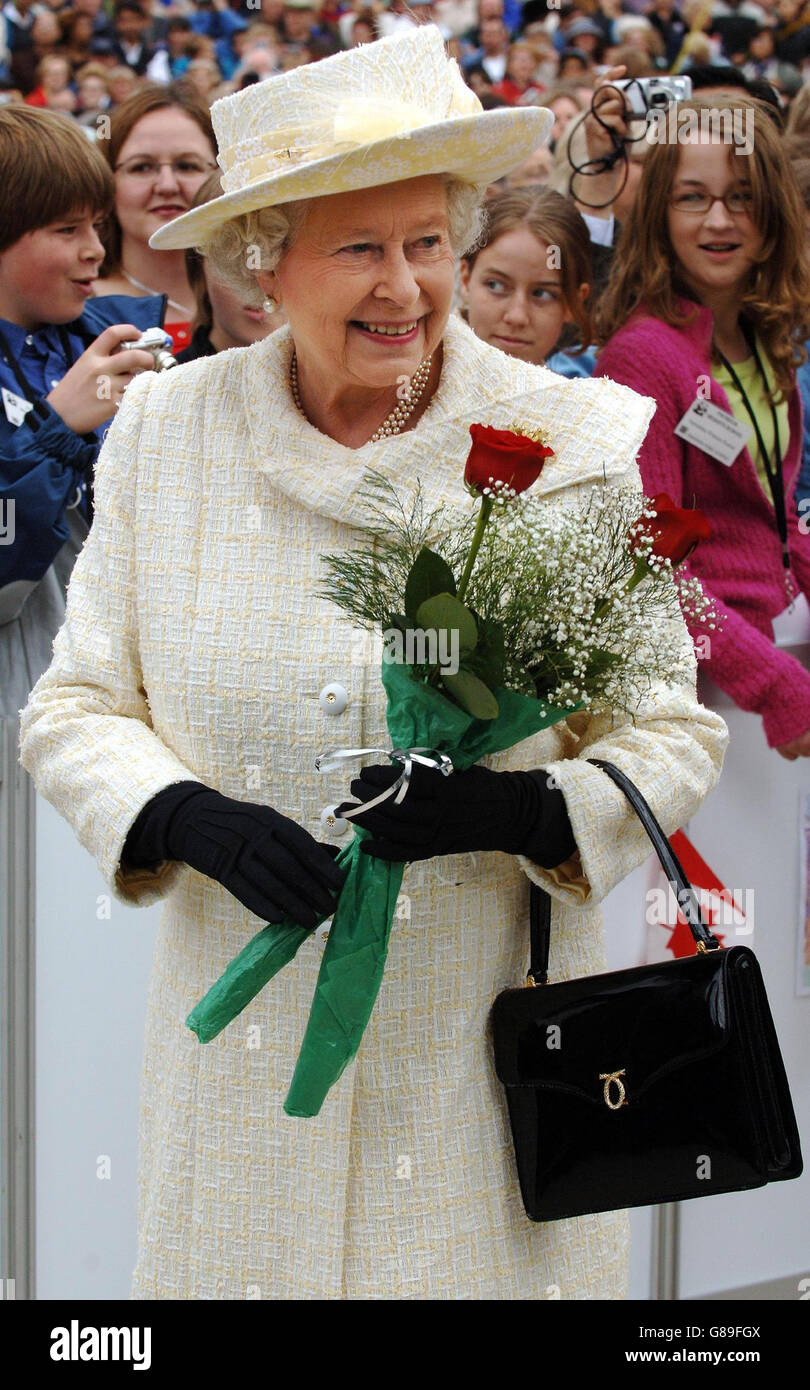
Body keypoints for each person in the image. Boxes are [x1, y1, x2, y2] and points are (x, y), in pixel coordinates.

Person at [18, 26, 726, 1301]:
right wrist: (183, 815)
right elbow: (75, 707)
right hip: (244, 1111)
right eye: (358, 248)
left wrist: (520, 806)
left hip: (488, 1088)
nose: (405, 286)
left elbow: (670, 735)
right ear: (265, 264)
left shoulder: (564, 443)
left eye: (427, 245)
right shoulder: (168, 433)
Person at [595, 94, 810, 757]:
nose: (719, 219)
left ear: (771, 215)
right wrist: (773, 685)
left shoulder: (763, 338)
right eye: (693, 197)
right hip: (704, 691)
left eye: (741, 197)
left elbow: (775, 518)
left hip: (781, 647)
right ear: (659, 214)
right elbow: (648, 567)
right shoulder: (642, 357)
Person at [0, 106, 163, 717]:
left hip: (128, 696)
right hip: (19, 702)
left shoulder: (125, 340)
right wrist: (55, 430)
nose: (96, 250)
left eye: (97, 225)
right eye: (67, 231)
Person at [92, 82, 218, 355]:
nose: (167, 185)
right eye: (142, 167)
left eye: (187, 166)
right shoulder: (75, 309)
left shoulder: (259, 304)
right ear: (107, 183)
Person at [458, 185, 594, 375]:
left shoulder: (587, 403)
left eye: (542, 294)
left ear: (575, 303)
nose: (517, 316)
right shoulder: (409, 387)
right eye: (495, 285)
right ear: (465, 278)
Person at [176, 171, 286, 362]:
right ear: (200, 271)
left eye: (278, 253)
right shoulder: (161, 388)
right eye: (235, 258)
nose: (259, 276)